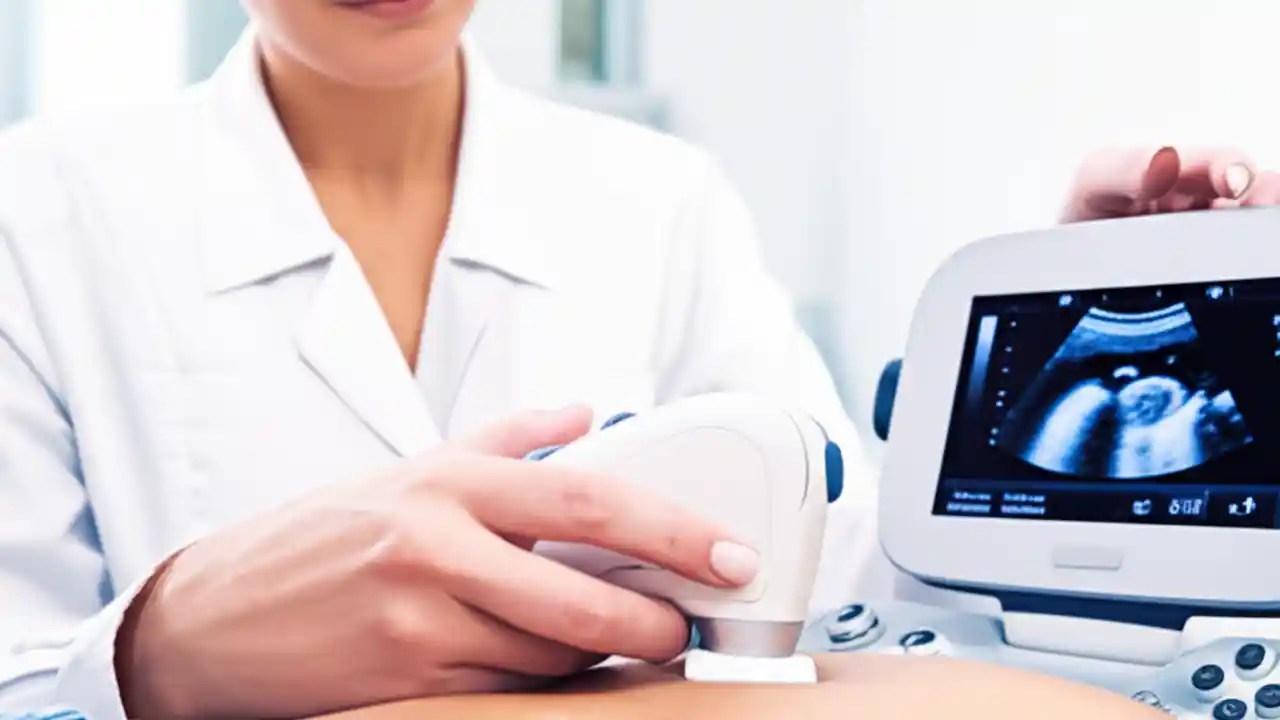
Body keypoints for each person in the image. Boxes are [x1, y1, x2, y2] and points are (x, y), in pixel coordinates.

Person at [0, 2, 1275, 719]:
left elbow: (821, 574)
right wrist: (154, 655)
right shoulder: (37, 211)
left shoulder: (659, 197)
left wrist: (1023, 401)